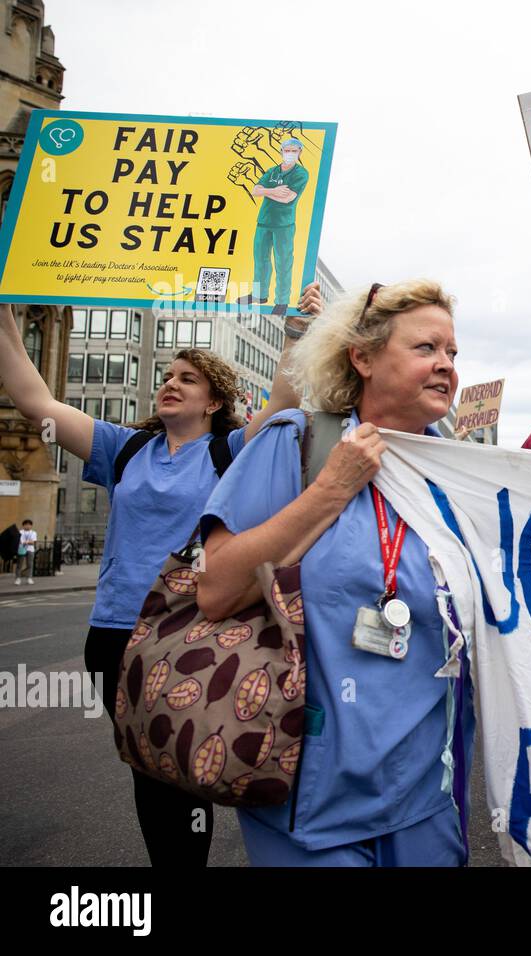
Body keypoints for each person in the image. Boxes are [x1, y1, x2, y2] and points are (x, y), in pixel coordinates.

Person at [0, 287, 319, 866]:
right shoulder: (124, 449)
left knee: (181, 777)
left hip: (188, 634)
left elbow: (283, 398)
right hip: (114, 634)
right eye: (168, 375)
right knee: (149, 770)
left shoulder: (231, 452)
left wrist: (295, 331)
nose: (171, 383)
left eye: (188, 379)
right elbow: (34, 401)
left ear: (215, 401)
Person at [197, 280, 474, 867]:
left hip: (425, 796)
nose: (446, 365)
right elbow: (217, 588)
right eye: (426, 348)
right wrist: (331, 489)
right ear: (364, 357)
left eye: (452, 352)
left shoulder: (461, 479)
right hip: (308, 794)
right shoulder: (298, 440)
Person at [237, 137, 309, 317]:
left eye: (294, 151)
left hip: (283, 224)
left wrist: (267, 192)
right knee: (260, 259)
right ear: (281, 151)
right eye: (287, 150)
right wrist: (274, 191)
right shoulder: (272, 171)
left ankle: (282, 301)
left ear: (299, 153)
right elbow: (255, 190)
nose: (290, 154)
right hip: (264, 221)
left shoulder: (300, 174)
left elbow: (288, 198)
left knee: (283, 262)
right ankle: (259, 295)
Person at [14, 518, 36, 584]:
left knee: (30, 564)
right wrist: (24, 542)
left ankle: (29, 578)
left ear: (31, 526)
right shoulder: (20, 532)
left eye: (29, 524)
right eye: (26, 524)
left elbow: (33, 542)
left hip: (30, 550)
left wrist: (26, 542)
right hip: (21, 549)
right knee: (19, 564)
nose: (27, 526)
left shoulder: (33, 532)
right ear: (23, 525)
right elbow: (18, 541)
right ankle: (18, 578)